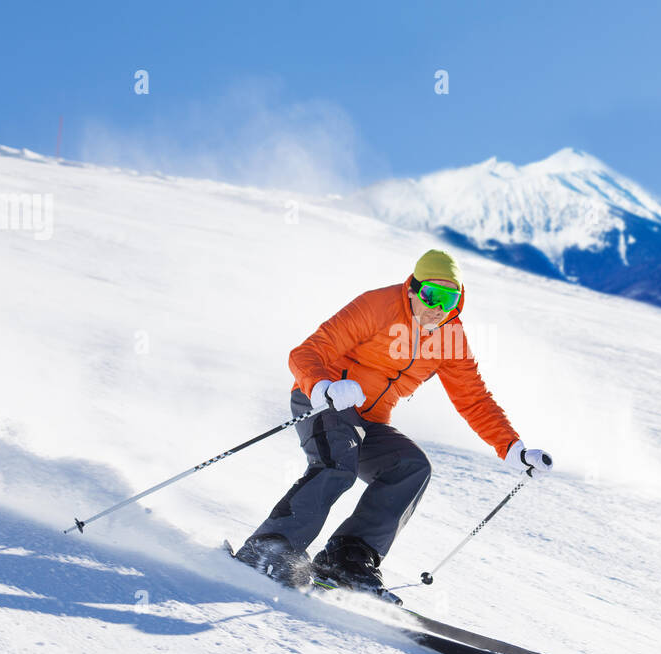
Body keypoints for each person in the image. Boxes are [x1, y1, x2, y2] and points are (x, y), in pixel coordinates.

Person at [230, 249, 552, 599]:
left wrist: (513, 448)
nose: (438, 307)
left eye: (450, 298)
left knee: (411, 467)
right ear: (413, 289)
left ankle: (348, 556)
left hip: (370, 420)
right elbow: (306, 352)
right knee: (339, 464)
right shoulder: (377, 306)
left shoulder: (449, 337)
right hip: (322, 402)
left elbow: (473, 399)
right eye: (431, 295)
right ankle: (271, 547)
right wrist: (325, 386)